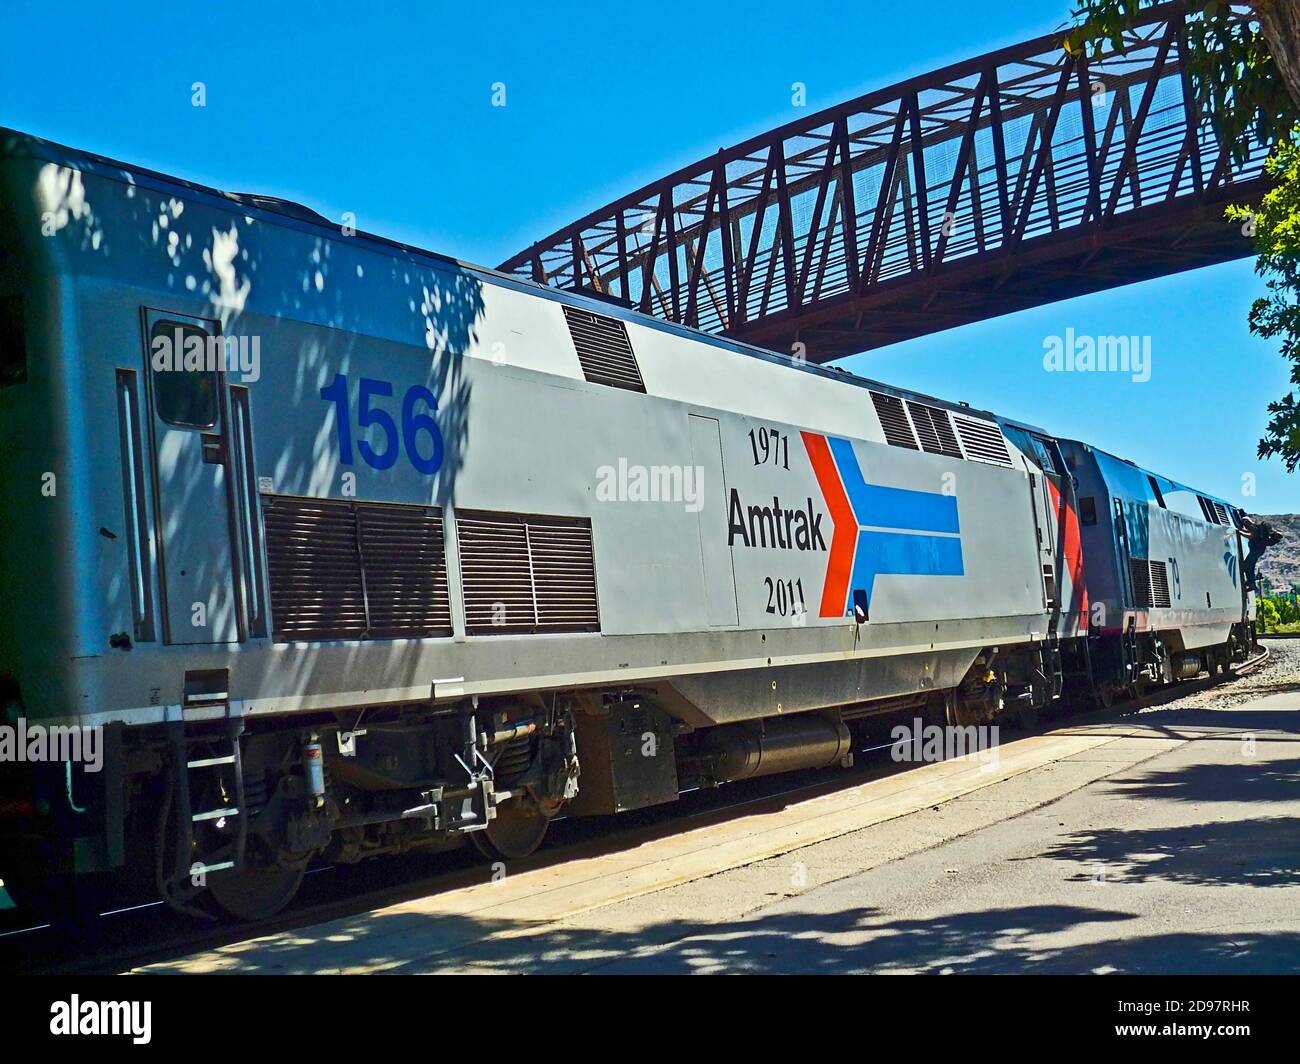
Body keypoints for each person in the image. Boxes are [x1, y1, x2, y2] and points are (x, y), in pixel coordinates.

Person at [1235, 516, 1284, 593]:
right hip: (1257, 551)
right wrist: (1241, 530)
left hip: (1256, 551)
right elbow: (1249, 532)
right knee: (1248, 565)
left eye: (1244, 522)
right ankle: (1251, 582)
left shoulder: (1253, 527)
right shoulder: (1255, 527)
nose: (1244, 525)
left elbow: (1250, 536)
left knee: (1248, 565)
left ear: (1246, 522)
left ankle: (1252, 583)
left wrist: (1239, 532)